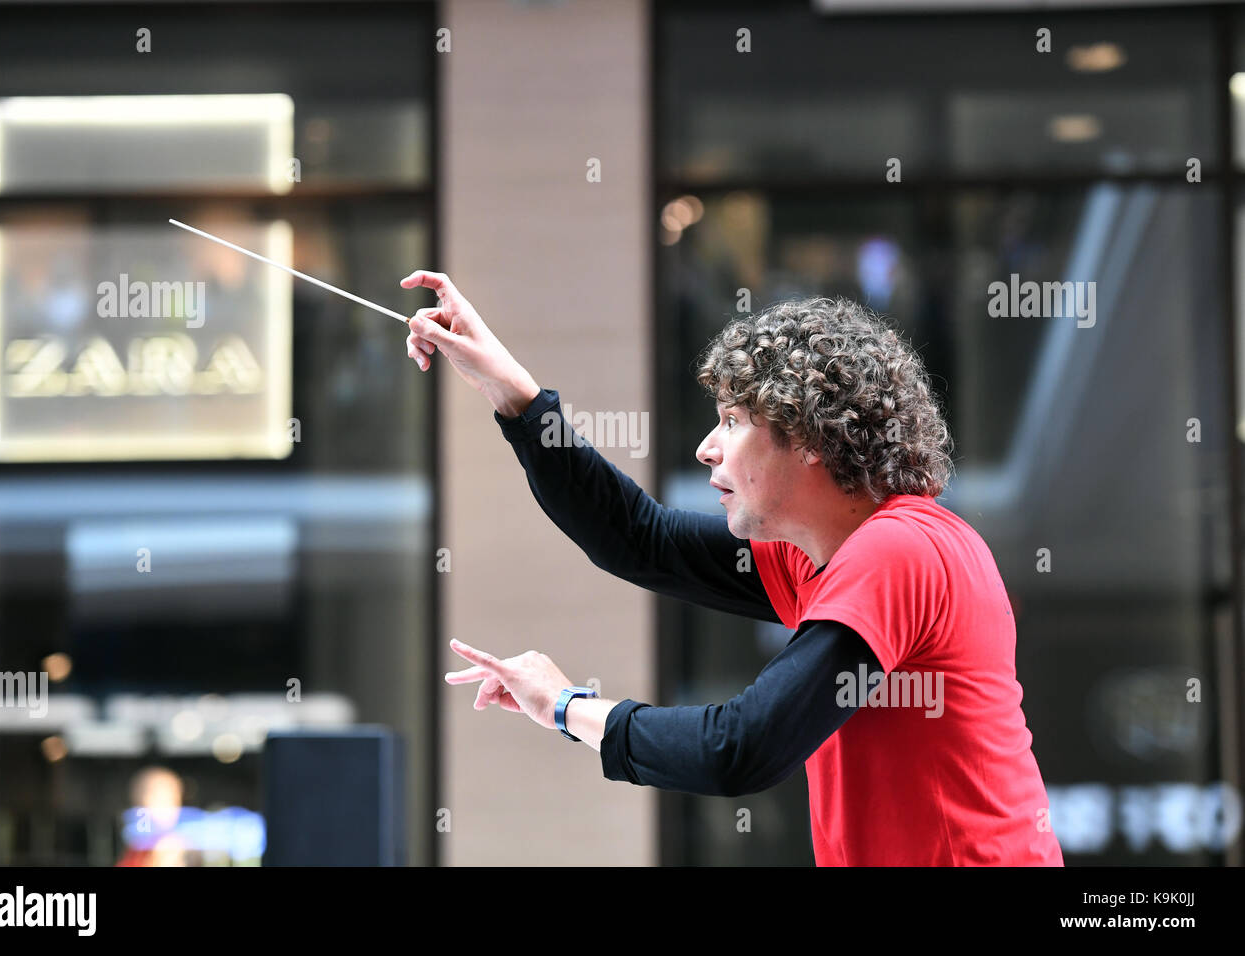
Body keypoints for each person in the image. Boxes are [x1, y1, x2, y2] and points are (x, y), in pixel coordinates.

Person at [404, 270, 1063, 866]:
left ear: (807, 437)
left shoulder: (900, 551)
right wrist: (510, 390)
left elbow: (742, 749)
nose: (705, 448)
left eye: (731, 420)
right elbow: (638, 539)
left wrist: (566, 707)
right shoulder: (825, 555)